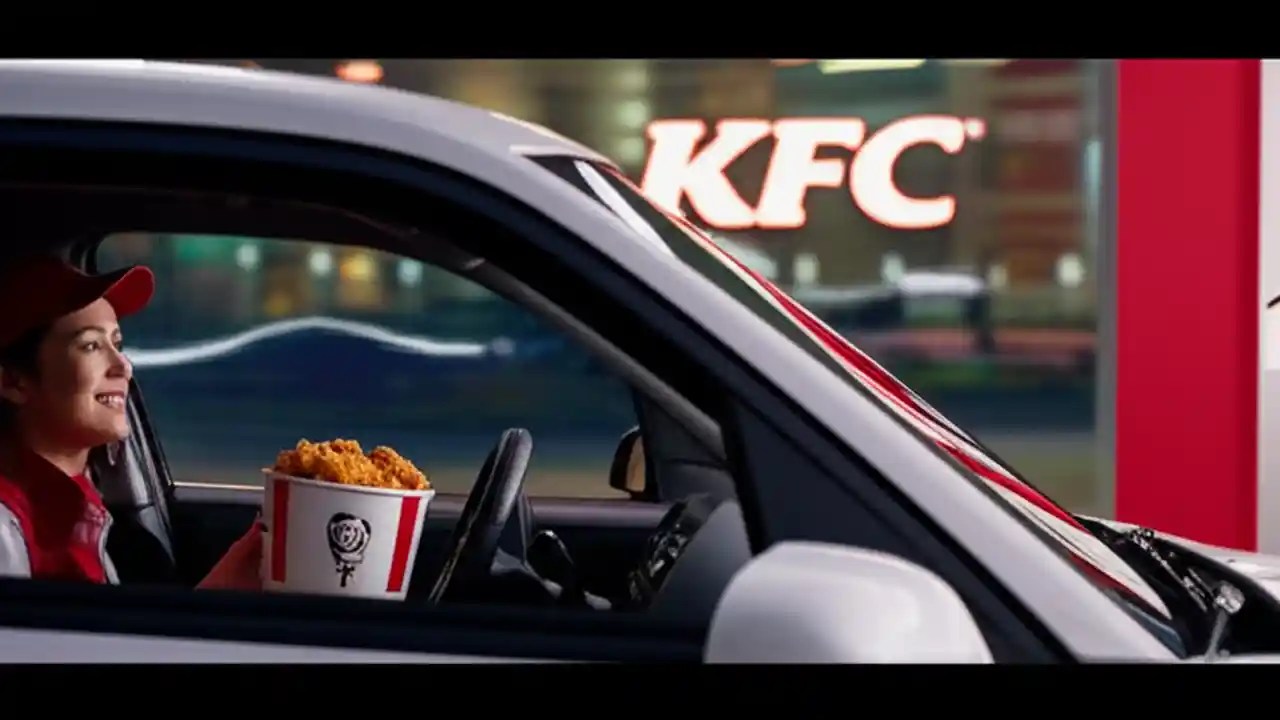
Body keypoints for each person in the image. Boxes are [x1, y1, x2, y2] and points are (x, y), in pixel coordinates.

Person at [0, 254, 261, 589]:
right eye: (91, 345)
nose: (123, 366)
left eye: (117, 343)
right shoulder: (8, 526)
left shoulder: (82, 502)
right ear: (12, 382)